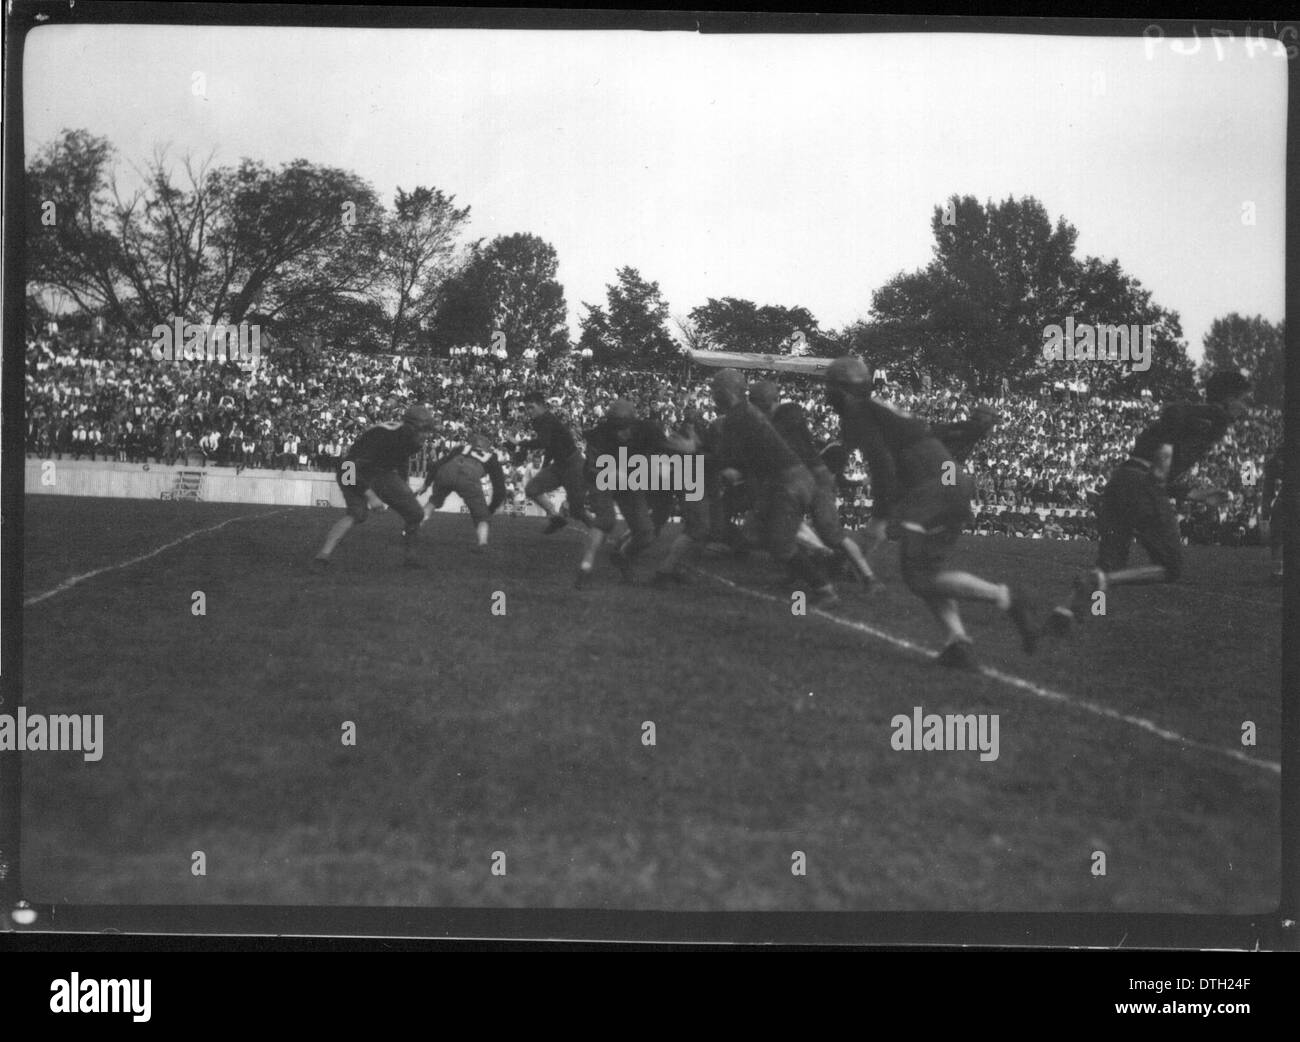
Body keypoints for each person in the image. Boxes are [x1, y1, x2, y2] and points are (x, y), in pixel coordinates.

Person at [824, 356, 1038, 669]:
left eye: (829, 388)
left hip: (931, 490)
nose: (826, 395)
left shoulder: (857, 412)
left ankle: (1004, 596)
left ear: (842, 389)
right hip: (949, 483)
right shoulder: (878, 409)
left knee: (919, 578)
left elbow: (882, 463)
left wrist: (881, 515)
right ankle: (958, 643)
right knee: (928, 573)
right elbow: (924, 440)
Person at [1047, 371, 1250, 634]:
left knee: (1111, 560)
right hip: (1141, 484)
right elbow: (1174, 415)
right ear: (1228, 398)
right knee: (1170, 567)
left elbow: (1166, 452)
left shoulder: (1210, 419)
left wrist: (1192, 493)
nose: (1246, 408)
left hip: (1121, 479)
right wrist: (1166, 451)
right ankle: (1099, 585)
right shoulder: (1216, 418)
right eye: (1243, 400)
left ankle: (1074, 612)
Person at [709, 369, 838, 606]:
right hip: (781, 481)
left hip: (787, 482)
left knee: (779, 542)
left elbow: (727, 462)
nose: (712, 396)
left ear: (726, 392)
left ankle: (824, 587)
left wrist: (694, 454)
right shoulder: (744, 414)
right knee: (756, 536)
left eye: (715, 390)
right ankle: (812, 561)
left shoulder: (739, 417)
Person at [748, 380, 880, 591]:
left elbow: (786, 427)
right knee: (785, 527)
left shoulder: (788, 412)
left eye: (755, 401)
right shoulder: (774, 419)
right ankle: (801, 571)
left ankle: (868, 577)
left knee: (832, 534)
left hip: (814, 479)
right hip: (800, 478)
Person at [313, 404, 437, 569]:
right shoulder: (385, 435)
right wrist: (370, 495)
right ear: (411, 427)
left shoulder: (412, 440)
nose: (426, 435)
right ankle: (322, 556)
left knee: (416, 513)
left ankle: (410, 558)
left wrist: (404, 484)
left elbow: (401, 460)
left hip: (380, 472)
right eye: (423, 430)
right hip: (351, 470)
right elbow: (348, 467)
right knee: (357, 513)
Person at [510, 392, 591, 532]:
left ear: (541, 406)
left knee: (578, 511)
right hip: (560, 465)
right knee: (531, 489)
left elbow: (544, 442)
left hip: (574, 465)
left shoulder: (546, 419)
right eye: (527, 408)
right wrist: (545, 467)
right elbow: (550, 446)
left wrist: (520, 443)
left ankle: (606, 537)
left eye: (531, 407)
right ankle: (555, 517)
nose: (529, 412)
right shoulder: (540, 420)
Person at [420, 432, 506, 552]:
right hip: (470, 476)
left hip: (448, 470)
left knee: (433, 501)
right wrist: (490, 509)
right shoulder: (491, 458)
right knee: (482, 517)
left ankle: (414, 528)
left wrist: (426, 484)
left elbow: (438, 464)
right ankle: (482, 543)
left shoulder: (462, 448)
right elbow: (500, 489)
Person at [1262, 442, 1287, 583]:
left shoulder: (1274, 465)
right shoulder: (1274, 465)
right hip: (1283, 501)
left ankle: (1277, 572)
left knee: (1277, 538)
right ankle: (1277, 571)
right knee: (1277, 538)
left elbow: (1272, 488)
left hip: (1283, 502)